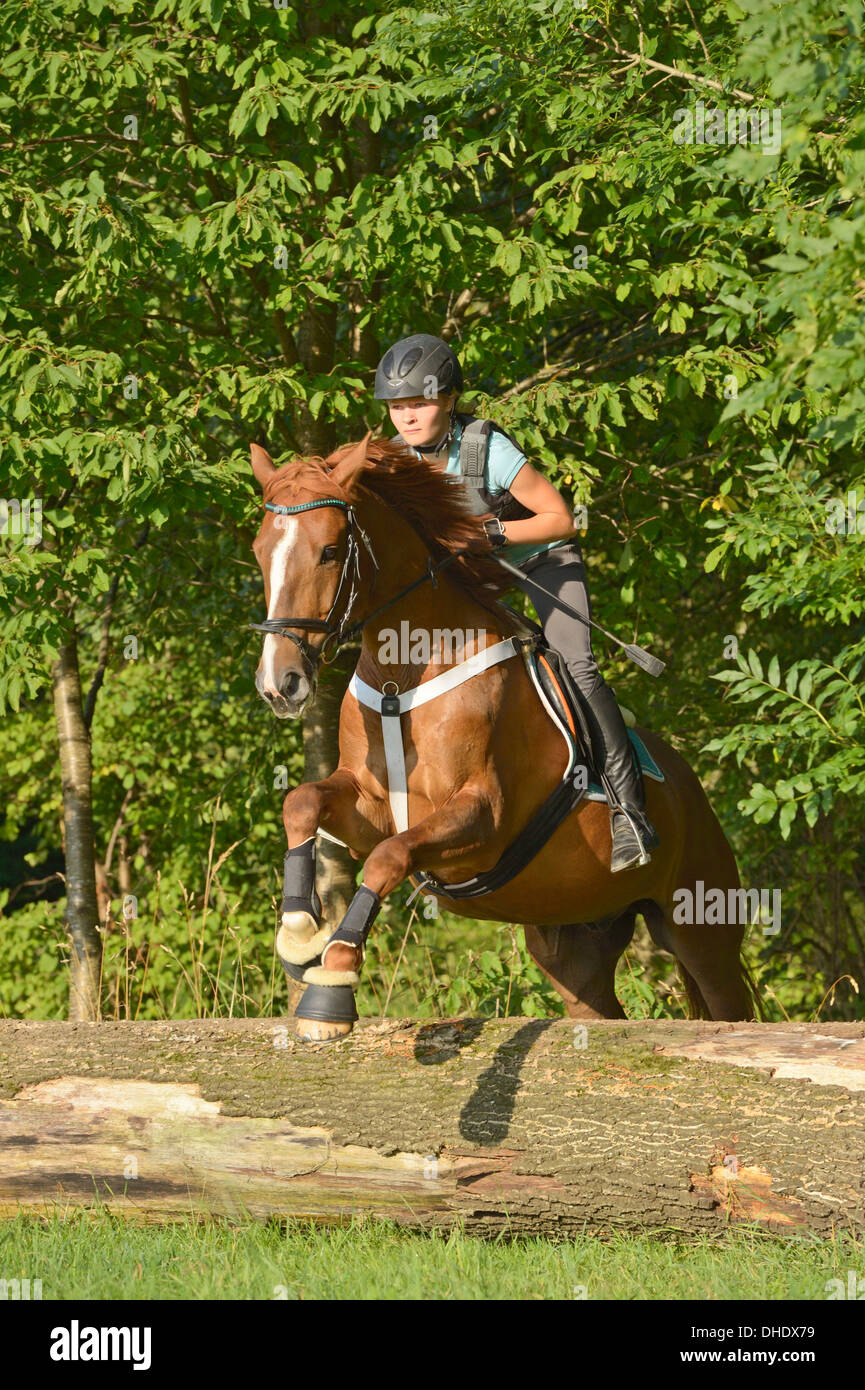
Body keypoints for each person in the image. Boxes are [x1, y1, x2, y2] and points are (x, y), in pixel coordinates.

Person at [373, 332, 659, 873]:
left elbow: (560, 518)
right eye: (396, 407)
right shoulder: (395, 460)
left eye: (419, 403)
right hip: (472, 575)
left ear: (449, 399)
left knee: (575, 661)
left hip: (542, 560)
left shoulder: (486, 448)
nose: (407, 417)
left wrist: (493, 532)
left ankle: (630, 813)